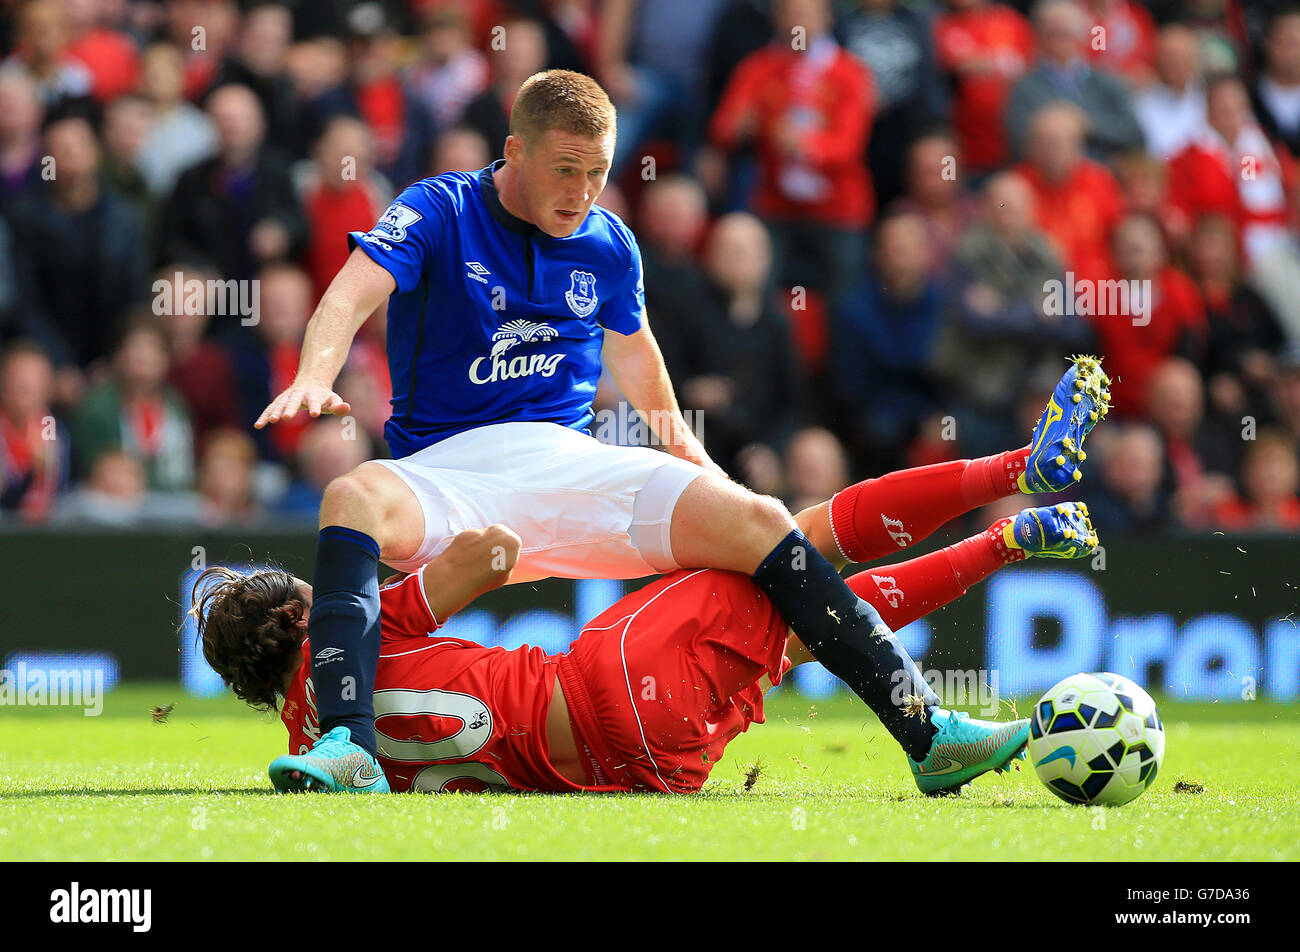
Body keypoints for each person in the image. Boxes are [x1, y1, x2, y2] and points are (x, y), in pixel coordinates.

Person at [254, 65, 1108, 799]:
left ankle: (926, 734)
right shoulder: (440, 206)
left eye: (598, 172)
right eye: (564, 170)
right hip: (448, 469)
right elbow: (354, 286)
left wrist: (682, 446)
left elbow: (637, 353)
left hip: (565, 462)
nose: (581, 193)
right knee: (352, 493)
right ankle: (350, 745)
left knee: (765, 523)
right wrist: (313, 376)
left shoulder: (609, 242)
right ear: (512, 152)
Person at [195, 457, 1104, 797]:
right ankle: (1016, 474)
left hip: (636, 771)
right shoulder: (348, 635)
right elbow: (490, 555)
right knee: (788, 539)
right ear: (296, 616)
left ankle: (1007, 537)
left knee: (799, 617)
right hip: (606, 681)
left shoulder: (305, 739)